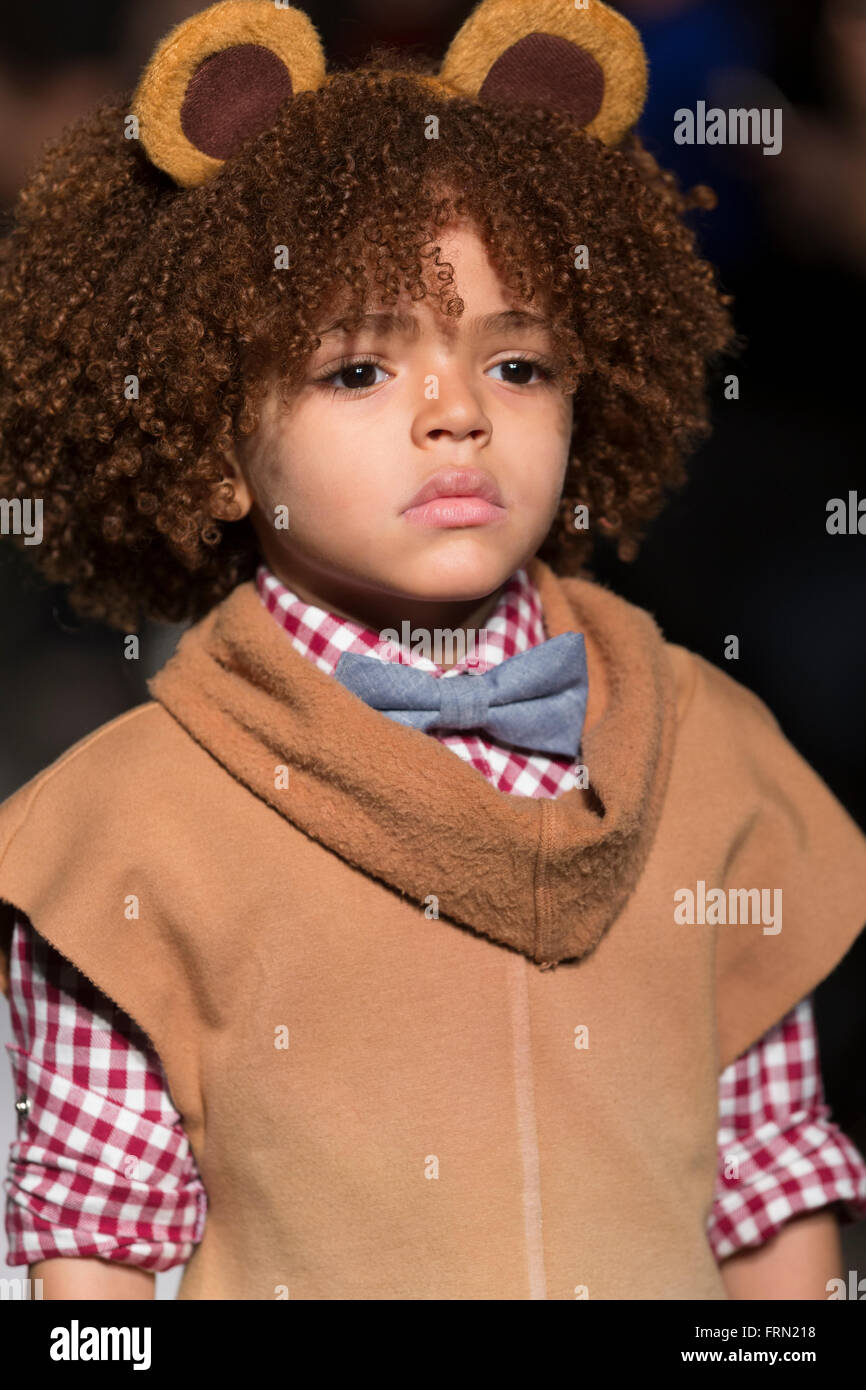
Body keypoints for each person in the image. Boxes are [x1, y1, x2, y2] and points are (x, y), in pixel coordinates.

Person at [1, 0, 865, 1300]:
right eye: (357, 370)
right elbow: (97, 1246)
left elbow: (771, 1180)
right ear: (210, 439)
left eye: (517, 361)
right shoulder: (129, 836)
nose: (456, 410)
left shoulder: (718, 762)